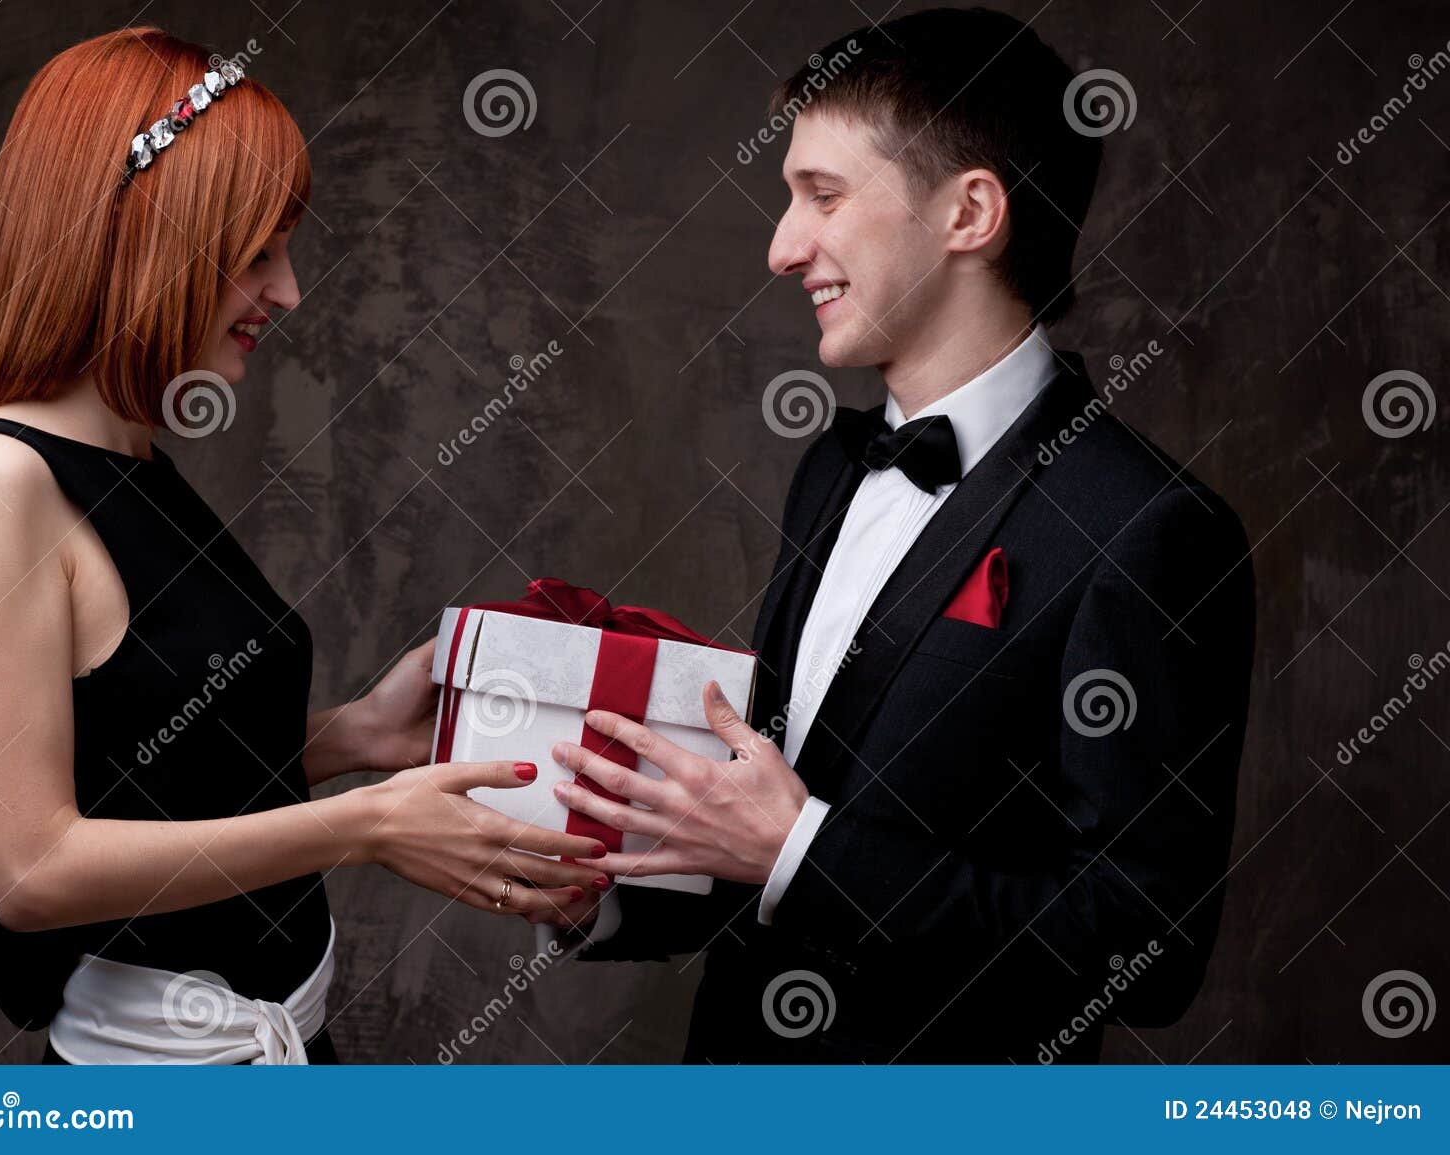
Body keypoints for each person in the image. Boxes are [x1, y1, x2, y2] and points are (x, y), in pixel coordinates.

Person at [534, 7, 1256, 1063]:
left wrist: (800, 850)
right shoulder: (830, 468)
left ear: (969, 212)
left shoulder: (1149, 530)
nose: (782, 248)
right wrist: (592, 895)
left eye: (820, 196)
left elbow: (1144, 947)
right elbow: (769, 838)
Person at [0, 27, 609, 1065]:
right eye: (258, 253)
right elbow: (32, 871)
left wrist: (352, 739)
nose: (286, 293)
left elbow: (148, 765)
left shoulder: (136, 463)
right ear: (150, 237)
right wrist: (367, 823)